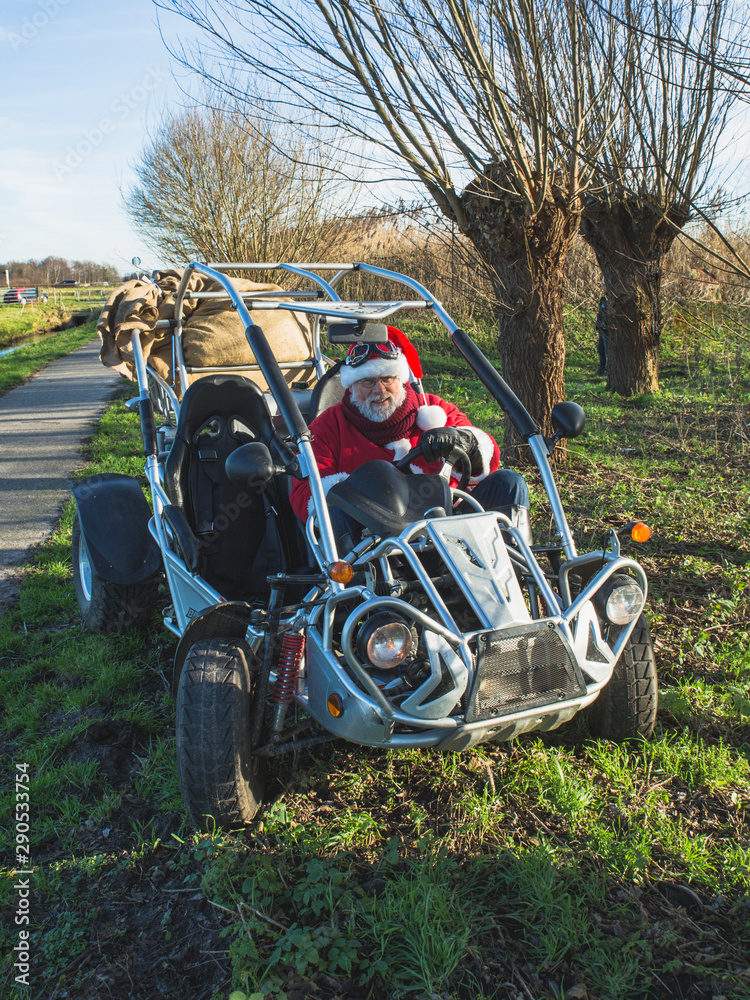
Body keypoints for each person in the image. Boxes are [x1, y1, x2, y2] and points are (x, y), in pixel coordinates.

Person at [289, 334, 531, 551]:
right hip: (376, 543)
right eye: (367, 381)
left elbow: (488, 456)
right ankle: (368, 586)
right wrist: (361, 493)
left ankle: (516, 573)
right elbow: (305, 493)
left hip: (451, 525)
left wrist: (463, 441)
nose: (379, 390)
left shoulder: (433, 409)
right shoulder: (328, 426)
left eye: (387, 378)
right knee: (337, 509)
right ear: (351, 386)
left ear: (401, 380)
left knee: (508, 482)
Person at [595, 285, 609, 376]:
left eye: (604, 286)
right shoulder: (602, 299)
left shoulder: (610, 300)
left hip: (607, 328)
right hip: (601, 328)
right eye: (602, 286)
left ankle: (608, 370)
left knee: (607, 350)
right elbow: (600, 313)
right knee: (600, 348)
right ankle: (601, 368)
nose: (602, 289)